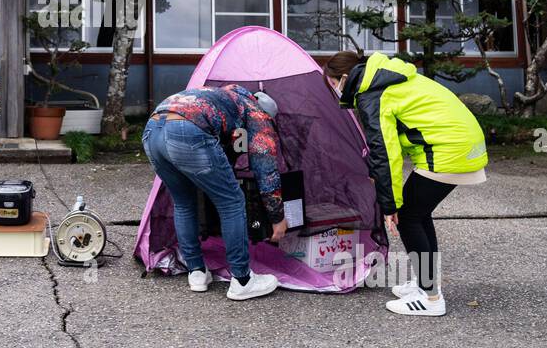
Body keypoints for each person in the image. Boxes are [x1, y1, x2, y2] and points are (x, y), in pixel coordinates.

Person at [323, 51, 488, 318]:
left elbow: (386, 154)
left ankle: (430, 297)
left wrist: (389, 205)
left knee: (408, 216)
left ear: (344, 78)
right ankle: (426, 281)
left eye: (332, 84)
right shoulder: (387, 79)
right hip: (462, 143)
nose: (333, 90)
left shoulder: (372, 95)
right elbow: (395, 141)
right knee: (419, 213)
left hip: (449, 150)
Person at [141, 84, 287, 301]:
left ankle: (197, 272)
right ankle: (242, 280)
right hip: (187, 131)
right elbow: (265, 169)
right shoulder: (256, 113)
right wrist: (277, 218)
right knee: (232, 202)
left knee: (183, 202)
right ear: (267, 115)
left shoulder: (223, 96)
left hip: (153, 130)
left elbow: (220, 145)